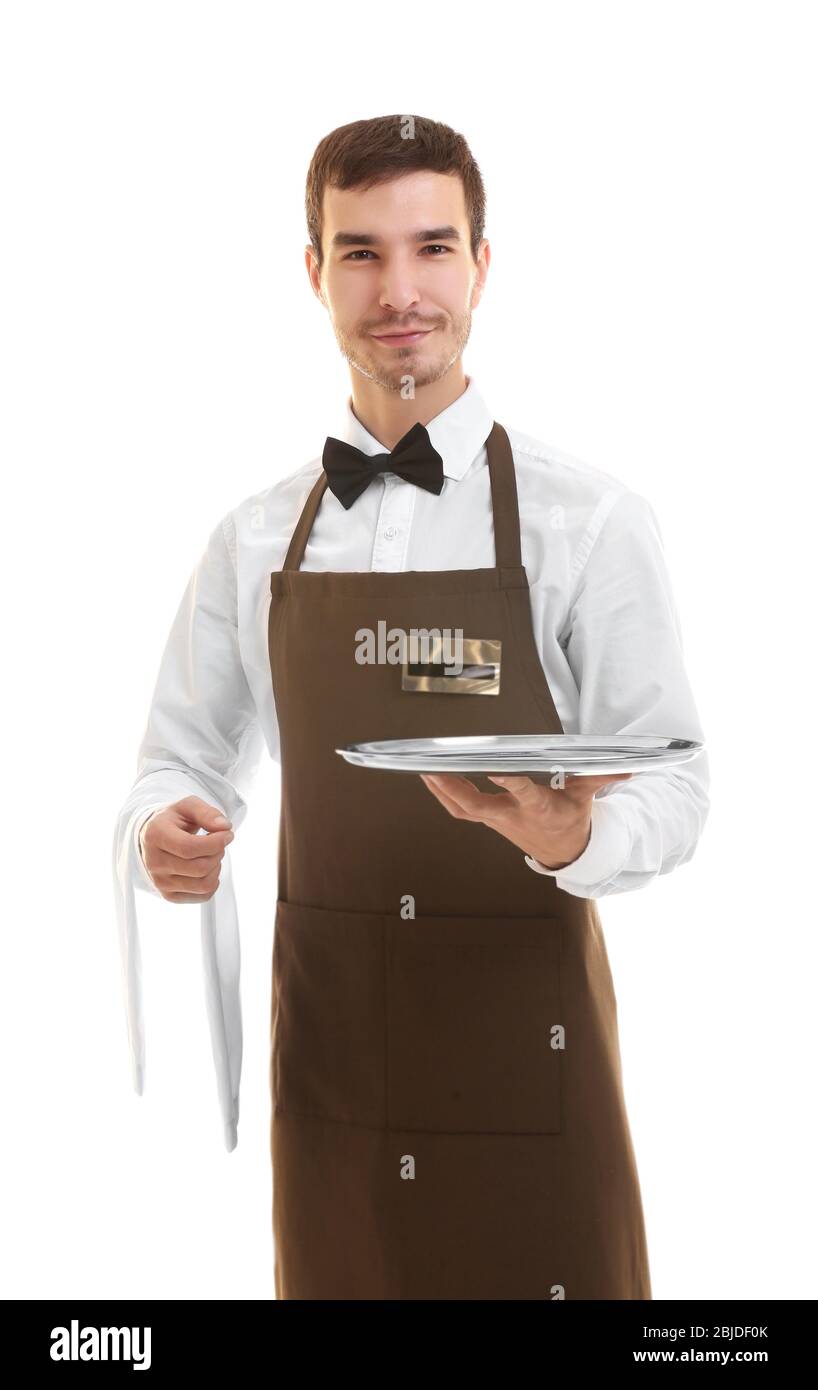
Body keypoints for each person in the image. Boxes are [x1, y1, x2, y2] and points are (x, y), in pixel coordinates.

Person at [112, 113, 710, 1300]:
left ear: (481, 265)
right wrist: (163, 832)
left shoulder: (587, 521)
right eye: (361, 252)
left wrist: (573, 835)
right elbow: (174, 760)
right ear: (313, 270)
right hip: (332, 1074)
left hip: (526, 1066)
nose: (400, 289)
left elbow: (676, 787)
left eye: (432, 248)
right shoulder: (249, 538)